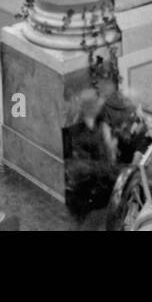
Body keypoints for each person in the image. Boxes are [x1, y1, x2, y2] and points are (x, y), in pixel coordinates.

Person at [65, 89, 117, 224]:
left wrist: (111, 145)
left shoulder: (101, 124)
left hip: (103, 185)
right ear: (90, 108)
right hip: (87, 191)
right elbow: (85, 168)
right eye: (97, 105)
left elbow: (108, 152)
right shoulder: (77, 133)